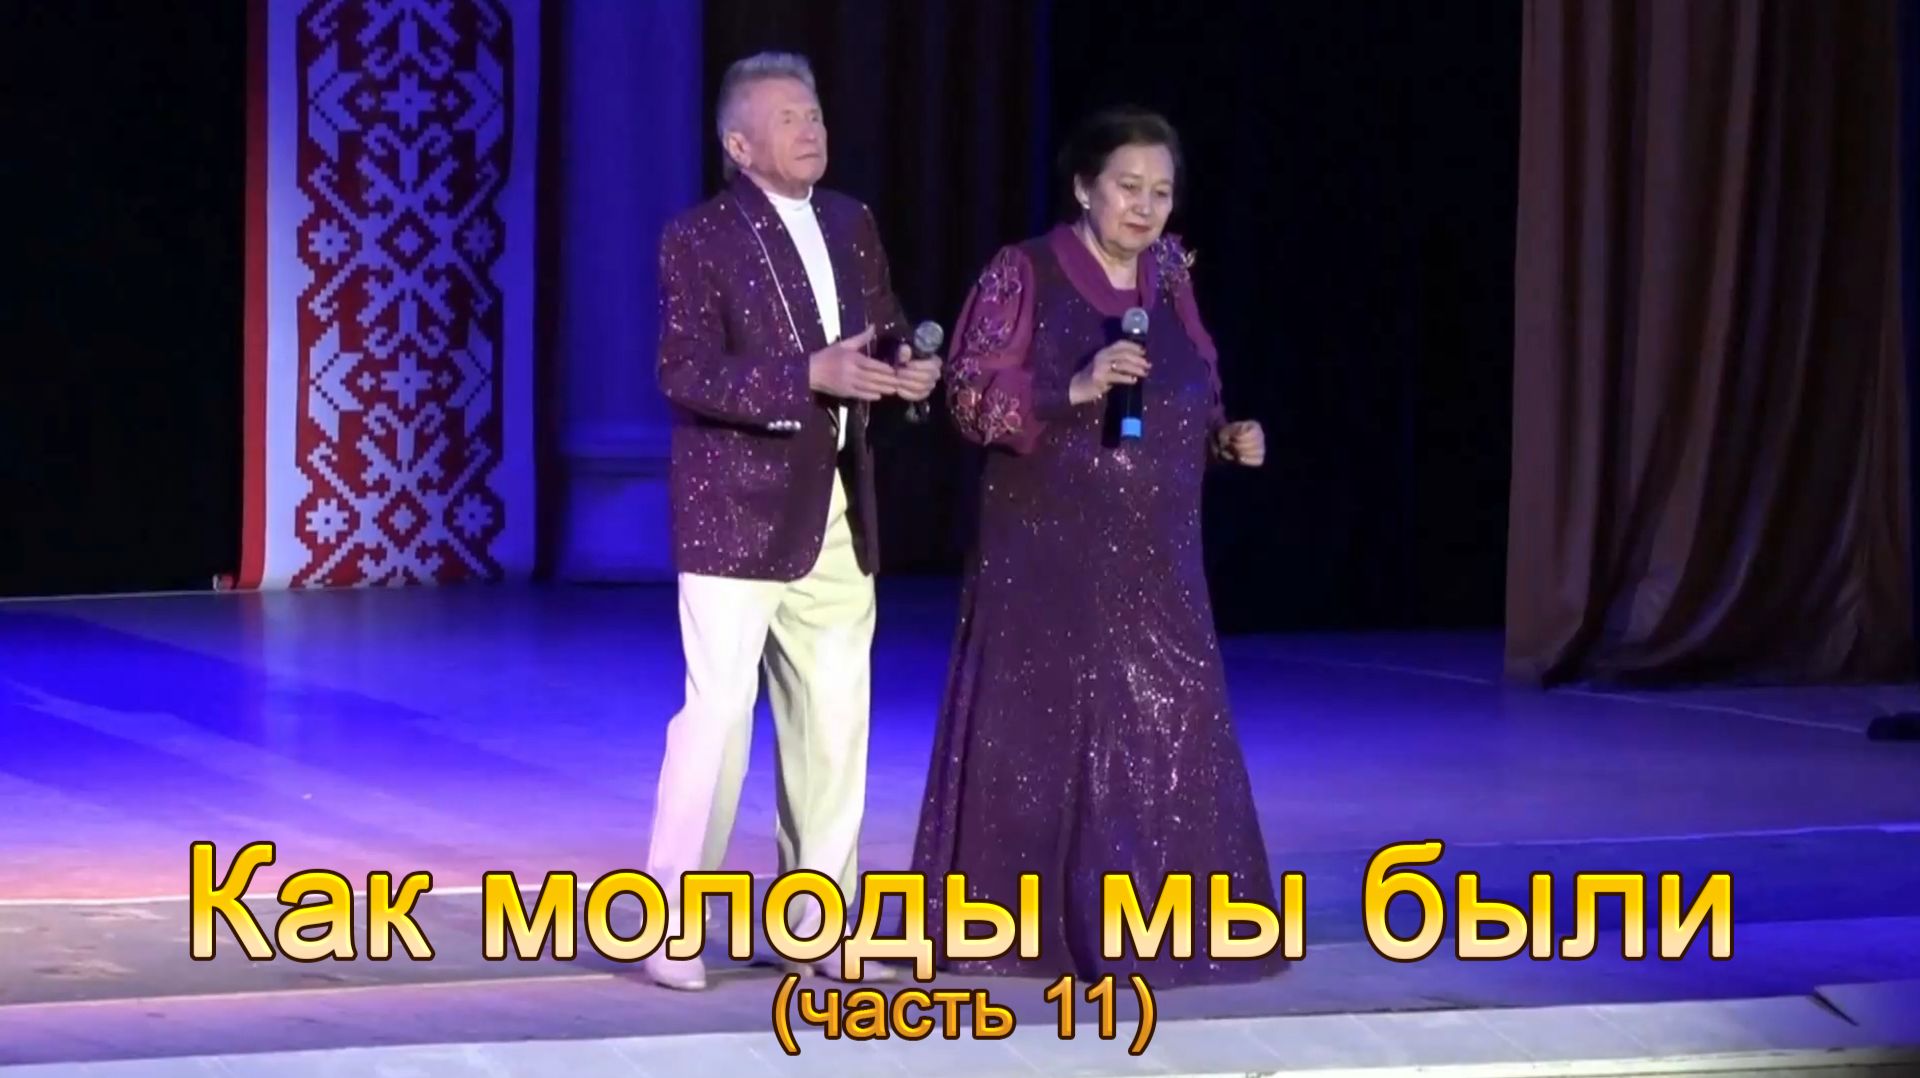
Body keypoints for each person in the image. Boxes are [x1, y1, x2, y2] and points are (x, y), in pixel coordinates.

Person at [909, 107, 1286, 987]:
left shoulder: (1170, 273)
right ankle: (1025, 926)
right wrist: (1071, 387)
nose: (1145, 207)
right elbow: (966, 398)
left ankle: (1162, 925)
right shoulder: (1024, 270)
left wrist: (1225, 438)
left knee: (1172, 722)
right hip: (1047, 552)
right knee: (1047, 734)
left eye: (1161, 191)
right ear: (1084, 187)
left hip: (1159, 553)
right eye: (1127, 187)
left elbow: (1192, 390)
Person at [642, 52, 940, 991]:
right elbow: (684, 370)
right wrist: (806, 375)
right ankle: (670, 926)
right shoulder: (699, 236)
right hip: (733, 510)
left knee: (833, 720)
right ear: (738, 146)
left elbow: (882, 327)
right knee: (720, 719)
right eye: (787, 118)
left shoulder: (851, 221)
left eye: (813, 113)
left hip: (838, 505)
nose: (811, 129)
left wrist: (907, 370)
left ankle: (814, 925)